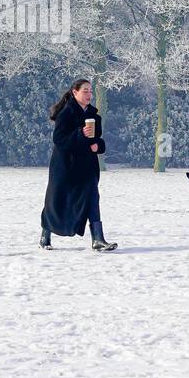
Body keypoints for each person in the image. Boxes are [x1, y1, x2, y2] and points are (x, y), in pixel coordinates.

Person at [39, 78, 117, 251]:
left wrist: (99, 146)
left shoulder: (94, 116)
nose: (89, 94)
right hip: (65, 167)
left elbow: (97, 140)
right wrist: (80, 134)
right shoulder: (66, 113)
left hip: (87, 168)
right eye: (85, 91)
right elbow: (59, 140)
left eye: (90, 91)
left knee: (92, 199)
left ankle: (98, 239)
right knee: (56, 201)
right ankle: (45, 235)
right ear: (75, 92)